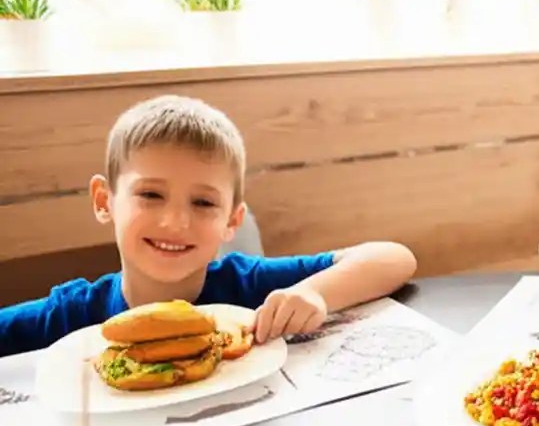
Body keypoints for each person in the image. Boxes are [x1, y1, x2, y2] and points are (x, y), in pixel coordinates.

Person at [0, 95, 418, 357]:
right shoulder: (71, 315)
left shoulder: (247, 287)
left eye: (203, 203)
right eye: (150, 195)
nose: (175, 221)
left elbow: (394, 258)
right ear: (104, 201)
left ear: (231, 221)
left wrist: (313, 293)